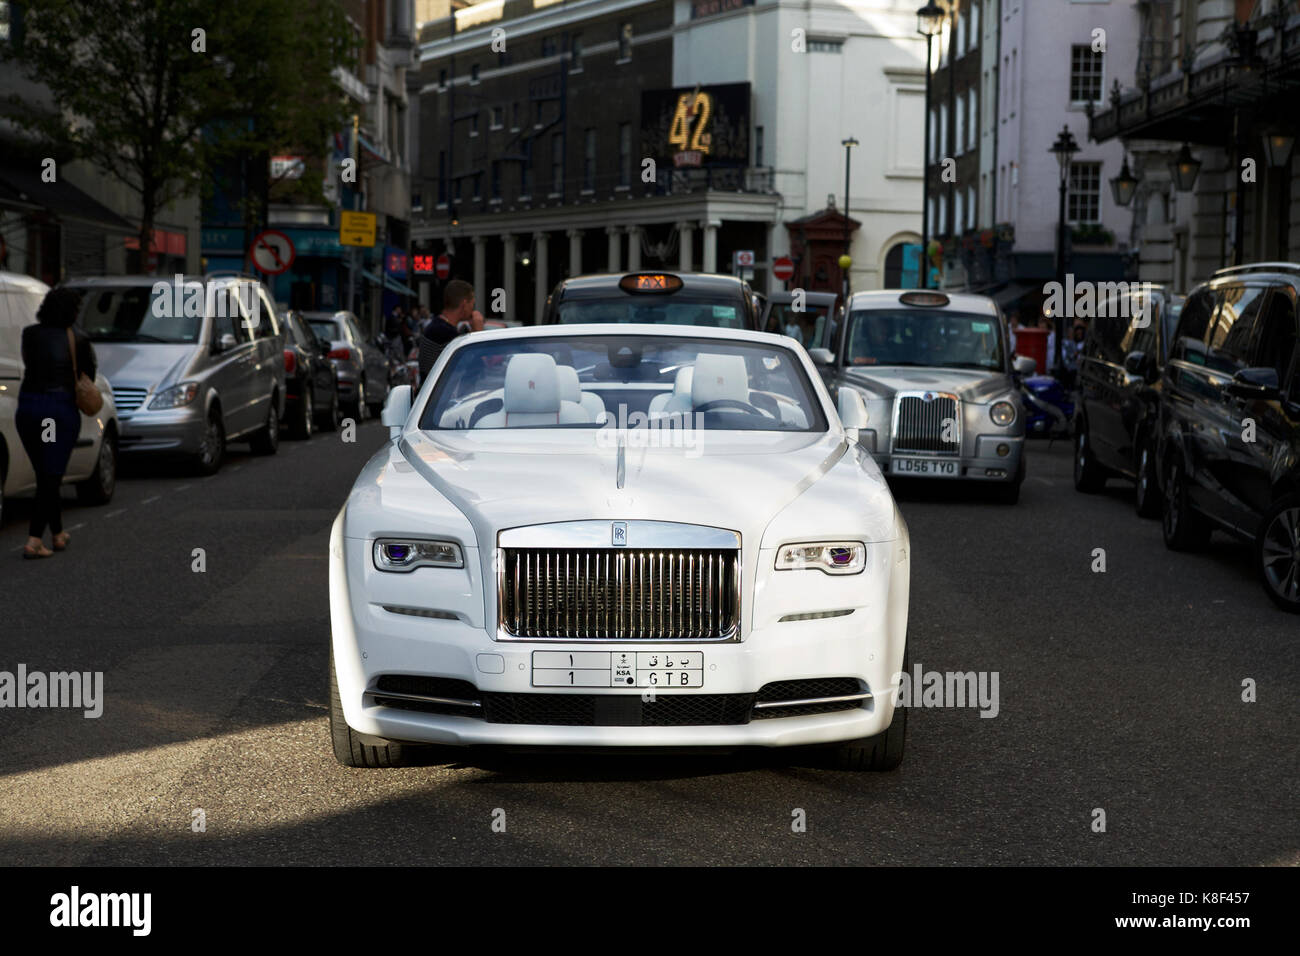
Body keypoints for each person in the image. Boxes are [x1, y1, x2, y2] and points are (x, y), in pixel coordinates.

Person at [16, 287, 96, 559]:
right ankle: (34, 539)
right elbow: (88, 378)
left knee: (45, 473)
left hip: (27, 409)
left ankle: (58, 534)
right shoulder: (79, 339)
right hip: (55, 414)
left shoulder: (29, 334)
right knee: (51, 477)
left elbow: (30, 364)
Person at [418, 280, 481, 381]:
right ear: (464, 304)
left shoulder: (436, 326)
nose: (473, 309)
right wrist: (478, 333)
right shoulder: (447, 334)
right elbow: (474, 371)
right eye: (472, 304)